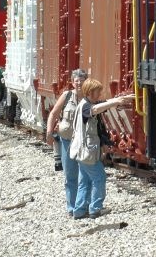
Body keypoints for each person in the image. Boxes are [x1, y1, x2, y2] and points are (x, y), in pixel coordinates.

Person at [69, 78, 134, 219]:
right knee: (99, 178)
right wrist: (116, 102)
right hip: (87, 152)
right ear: (90, 92)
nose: (99, 95)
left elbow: (102, 104)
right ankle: (95, 209)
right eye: (98, 92)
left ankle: (79, 211)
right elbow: (96, 109)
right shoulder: (86, 106)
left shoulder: (85, 103)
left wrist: (122, 98)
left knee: (84, 181)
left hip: (81, 151)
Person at [46, 68, 87, 215]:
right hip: (67, 140)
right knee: (70, 175)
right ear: (72, 82)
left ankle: (82, 206)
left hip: (85, 143)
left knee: (85, 175)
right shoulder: (66, 95)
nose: (79, 83)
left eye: (82, 81)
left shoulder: (90, 96)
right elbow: (53, 114)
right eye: (76, 81)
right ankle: (71, 207)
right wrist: (49, 132)